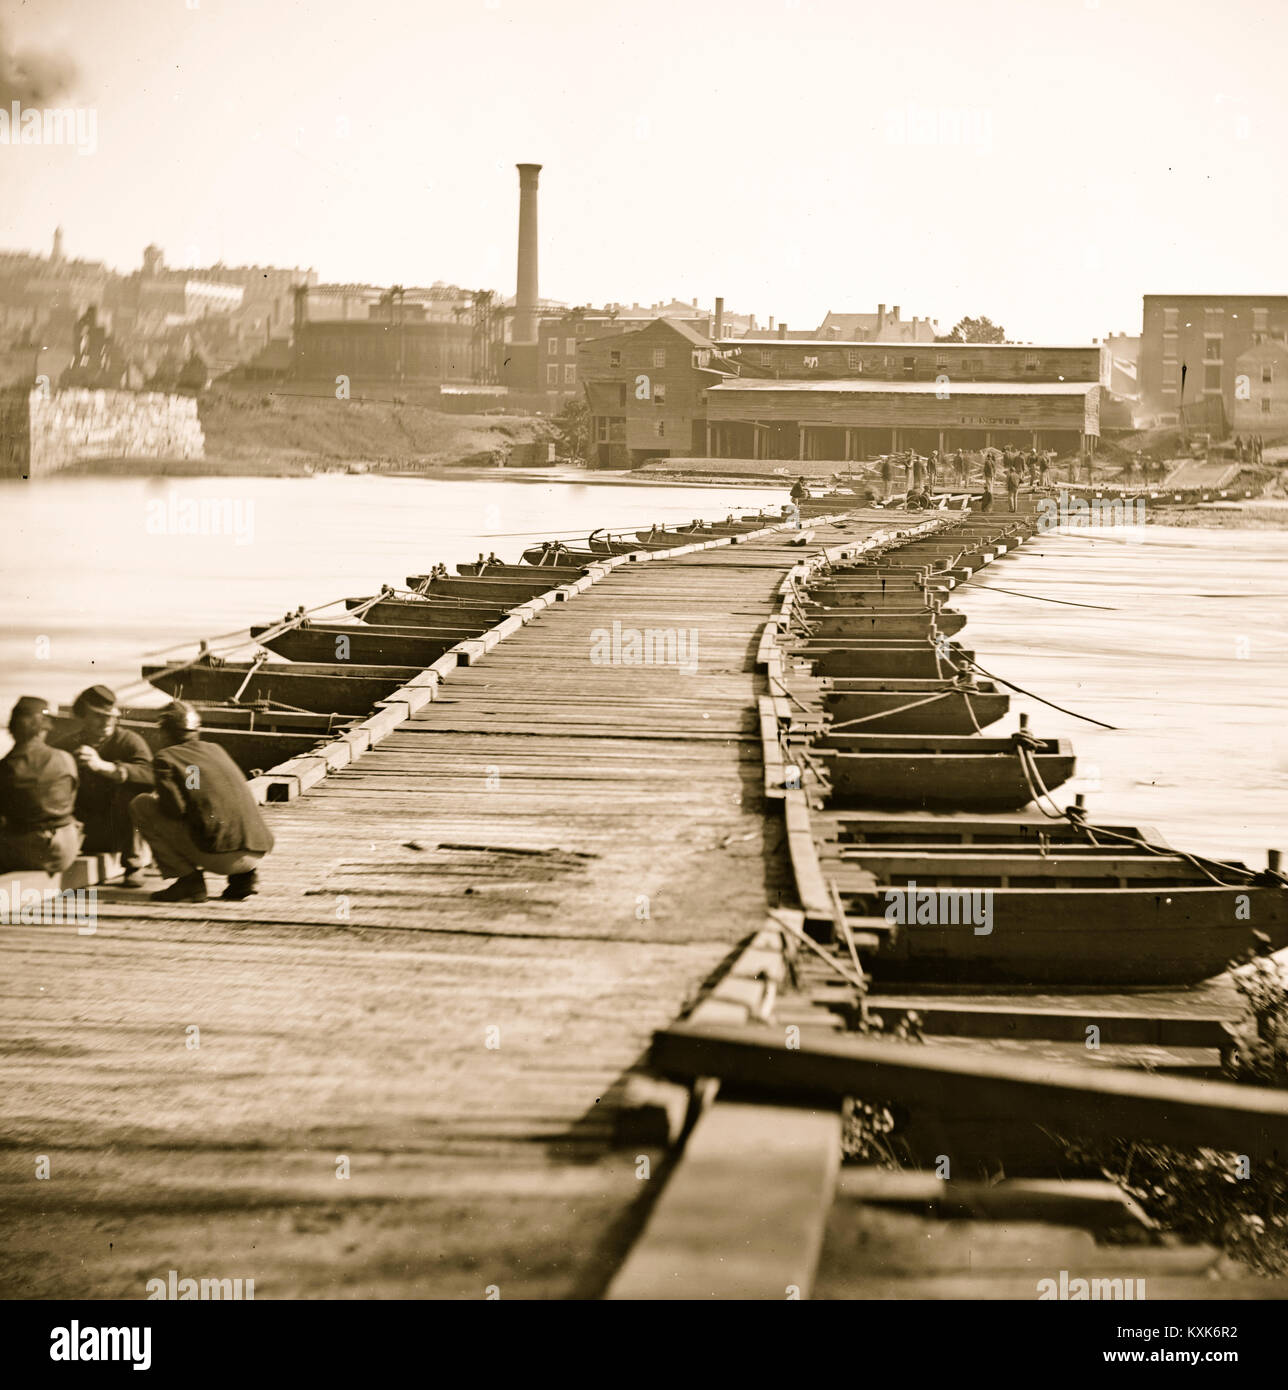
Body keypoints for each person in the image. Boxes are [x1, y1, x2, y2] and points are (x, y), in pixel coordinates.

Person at [130, 702, 275, 904]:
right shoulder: (215, 749)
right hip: (257, 852)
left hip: (220, 856)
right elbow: (196, 788)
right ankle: (243, 881)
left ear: (164, 732)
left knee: (142, 804)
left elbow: (175, 810)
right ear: (197, 730)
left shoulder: (166, 757)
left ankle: (189, 881)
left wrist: (160, 797)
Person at [51, 685, 154, 887]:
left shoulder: (129, 741)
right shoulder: (67, 745)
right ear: (82, 715)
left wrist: (107, 768)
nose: (106, 721)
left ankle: (134, 865)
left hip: (122, 832)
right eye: (98, 715)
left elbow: (151, 776)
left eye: (110, 716)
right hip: (83, 832)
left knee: (135, 793)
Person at [0, 696, 83, 875]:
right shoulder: (65, 758)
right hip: (65, 850)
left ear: (13, 730)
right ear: (43, 730)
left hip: (26, 853)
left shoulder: (4, 768)